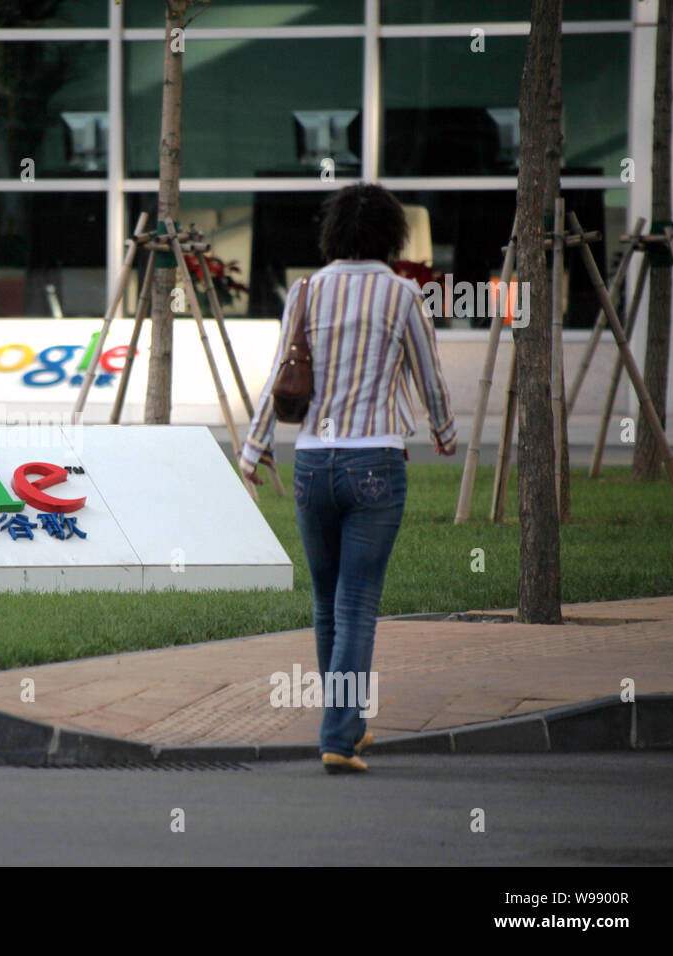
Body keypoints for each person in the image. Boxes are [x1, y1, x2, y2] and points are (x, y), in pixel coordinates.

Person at [238, 182, 457, 774]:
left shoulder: (306, 291)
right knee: (357, 604)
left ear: (332, 232)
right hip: (375, 463)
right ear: (390, 235)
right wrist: (445, 432)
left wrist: (254, 447)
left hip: (312, 463)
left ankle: (347, 726)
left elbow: (281, 370)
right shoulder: (403, 295)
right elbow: (429, 377)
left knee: (326, 601)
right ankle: (339, 733)